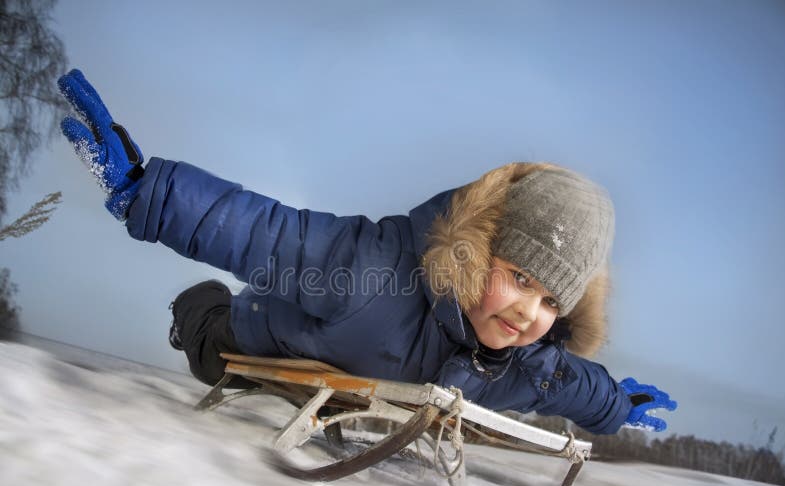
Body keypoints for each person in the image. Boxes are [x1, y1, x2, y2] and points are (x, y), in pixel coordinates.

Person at [57, 69, 677, 435]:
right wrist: (148, 194)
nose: (527, 312)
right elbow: (264, 233)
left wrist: (619, 404)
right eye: (519, 278)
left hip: (347, 383)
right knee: (210, 346)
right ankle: (193, 308)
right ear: (480, 249)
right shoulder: (372, 272)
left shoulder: (528, 364)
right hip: (259, 339)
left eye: (549, 300)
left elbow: (575, 388)